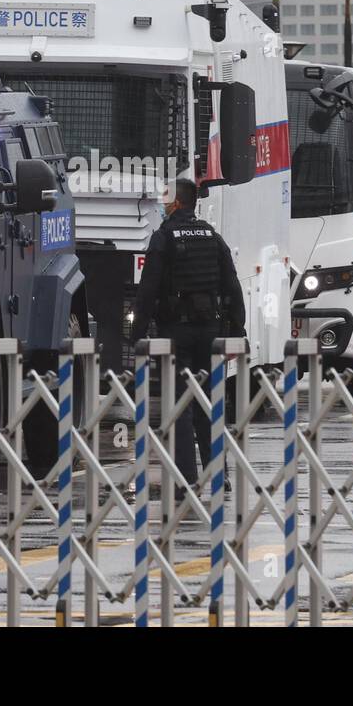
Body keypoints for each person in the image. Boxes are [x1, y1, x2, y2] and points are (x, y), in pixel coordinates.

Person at [130, 177, 245, 493]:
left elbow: (148, 290)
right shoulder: (212, 236)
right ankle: (218, 473)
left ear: (177, 203)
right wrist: (239, 328)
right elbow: (232, 284)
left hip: (176, 333)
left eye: (167, 199)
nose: (164, 204)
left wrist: (137, 333)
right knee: (210, 402)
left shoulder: (163, 238)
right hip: (210, 331)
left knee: (180, 404)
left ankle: (186, 478)